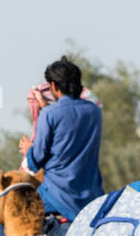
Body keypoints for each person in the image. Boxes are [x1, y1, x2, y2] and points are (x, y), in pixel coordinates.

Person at [20, 56, 103, 222]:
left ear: (53, 86)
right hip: (92, 196)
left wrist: (29, 149)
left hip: (55, 196)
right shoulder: (94, 112)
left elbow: (36, 161)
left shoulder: (49, 115)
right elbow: (70, 125)